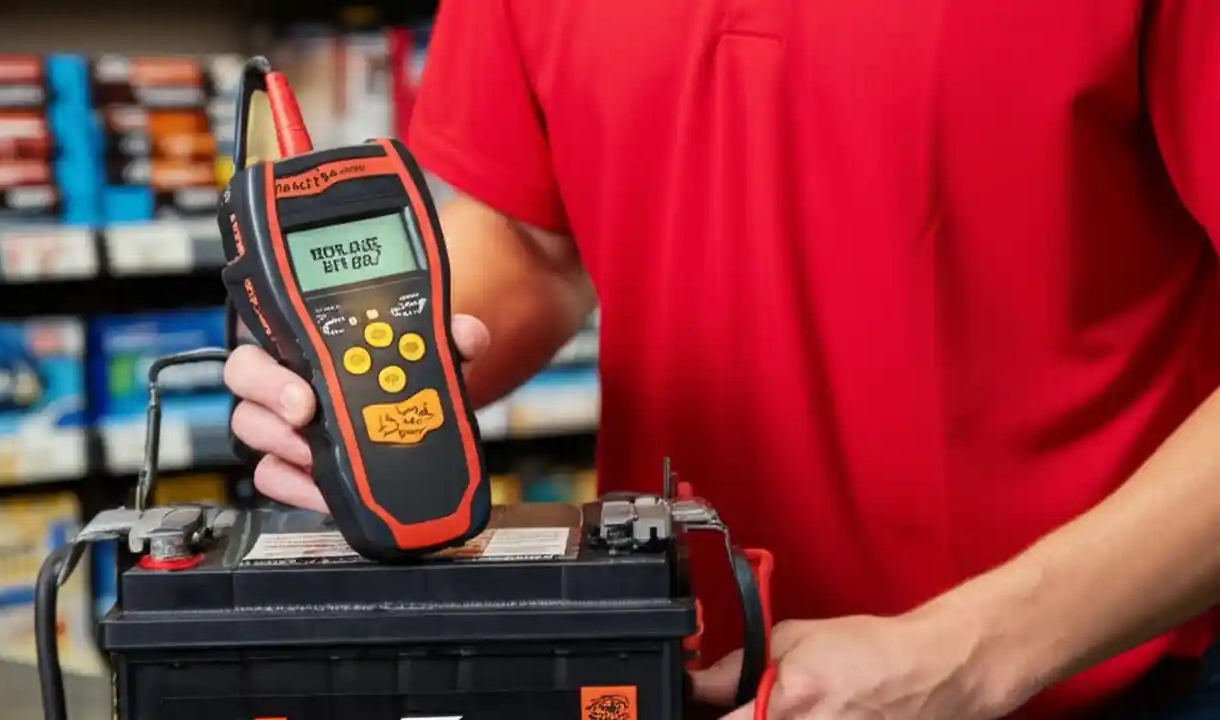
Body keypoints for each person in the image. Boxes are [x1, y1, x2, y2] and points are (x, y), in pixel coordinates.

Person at [223, 2, 1220, 718]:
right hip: (676, 661)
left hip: (1094, 678)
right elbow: (530, 241)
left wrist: (970, 658)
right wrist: (372, 375)